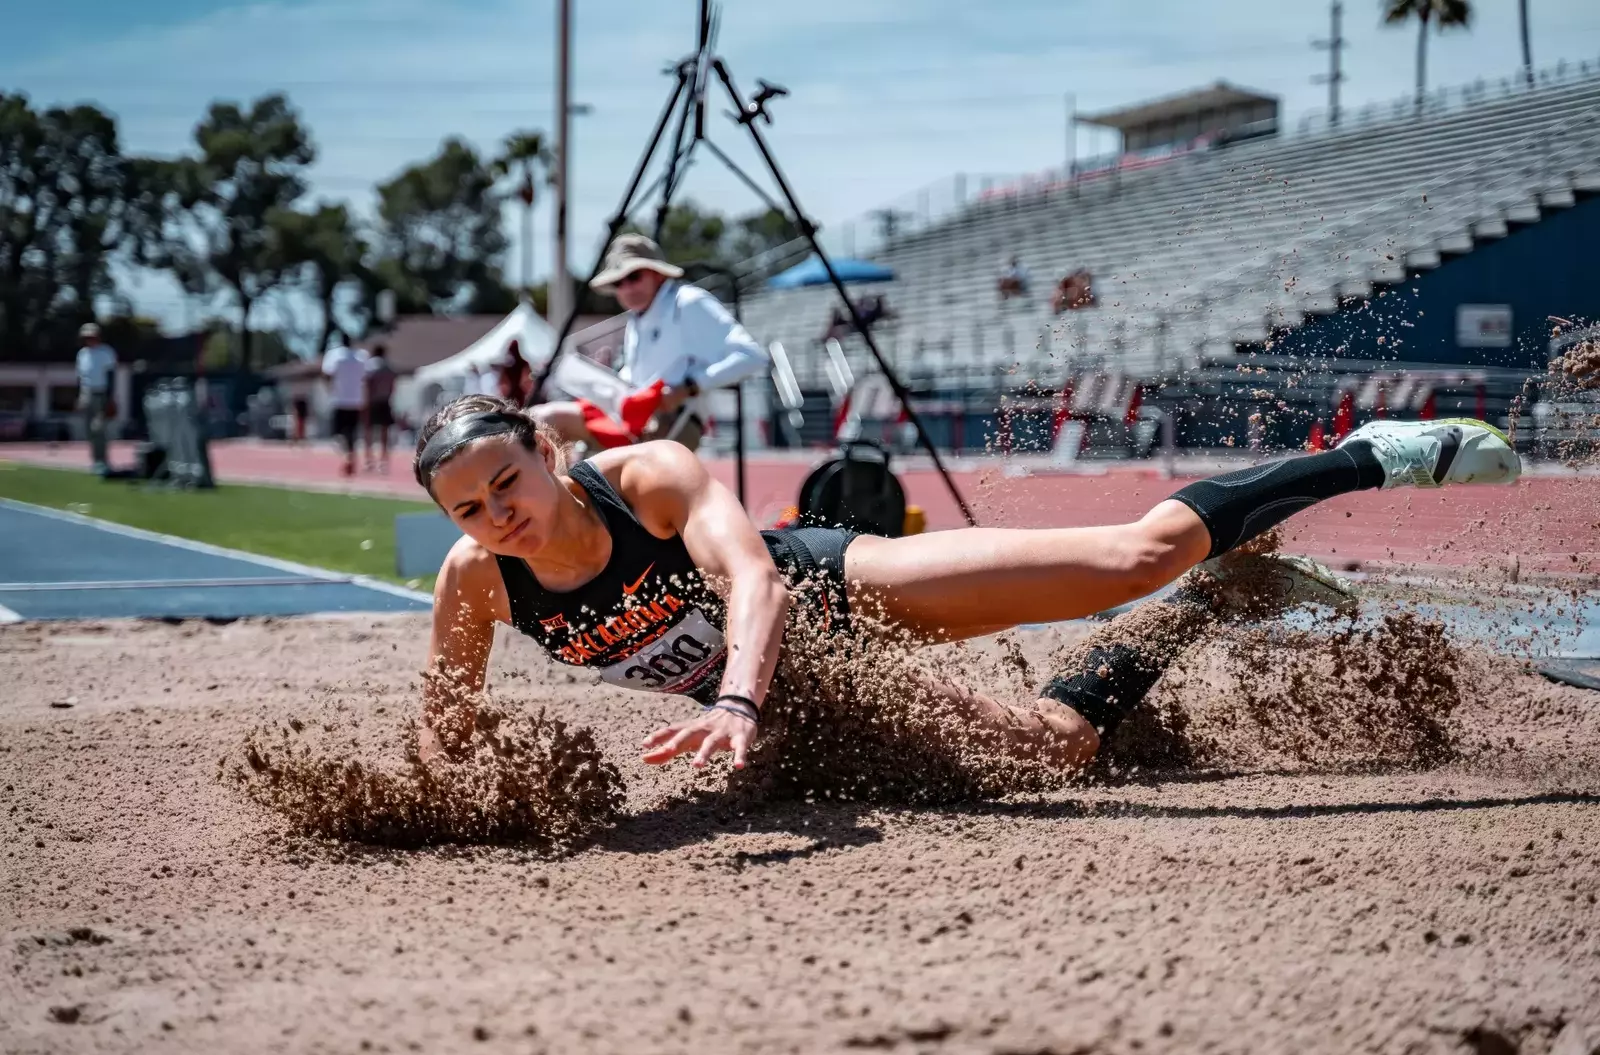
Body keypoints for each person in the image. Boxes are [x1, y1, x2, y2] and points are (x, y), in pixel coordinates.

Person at [411, 395, 1521, 772]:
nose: (496, 515)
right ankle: (1217, 598)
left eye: (506, 483)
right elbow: (444, 722)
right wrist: (453, 790)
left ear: (545, 458)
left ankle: (1368, 456)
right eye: (468, 508)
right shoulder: (479, 584)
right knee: (1058, 747)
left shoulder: (646, 479)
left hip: (839, 595)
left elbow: (755, 583)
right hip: (807, 698)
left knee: (1128, 559)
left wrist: (737, 697)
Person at [531, 234, 770, 454]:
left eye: (634, 277)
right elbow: (636, 377)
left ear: (658, 274)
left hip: (674, 422)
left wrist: (688, 387)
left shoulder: (688, 302)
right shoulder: (636, 318)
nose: (627, 288)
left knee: (590, 457)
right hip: (631, 417)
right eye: (618, 283)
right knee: (539, 420)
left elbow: (752, 356)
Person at [321, 331, 369, 477]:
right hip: (356, 400)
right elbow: (366, 376)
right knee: (352, 432)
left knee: (337, 433)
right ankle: (350, 456)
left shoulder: (334, 355)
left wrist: (330, 388)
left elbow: (326, 374)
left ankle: (347, 456)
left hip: (339, 399)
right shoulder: (361, 356)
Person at [75, 323, 118, 475]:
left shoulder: (106, 352)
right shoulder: (82, 354)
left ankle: (102, 461)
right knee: (89, 430)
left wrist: (110, 398)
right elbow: (81, 378)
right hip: (86, 393)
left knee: (98, 428)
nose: (90, 340)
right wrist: (79, 396)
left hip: (101, 393)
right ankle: (95, 460)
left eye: (92, 337)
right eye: (87, 337)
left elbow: (111, 376)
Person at [364, 343, 398, 472]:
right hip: (385, 400)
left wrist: (366, 400)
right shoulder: (388, 366)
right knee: (384, 431)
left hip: (372, 401)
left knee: (368, 430)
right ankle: (384, 460)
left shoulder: (370, 366)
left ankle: (369, 459)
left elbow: (367, 384)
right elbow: (393, 385)